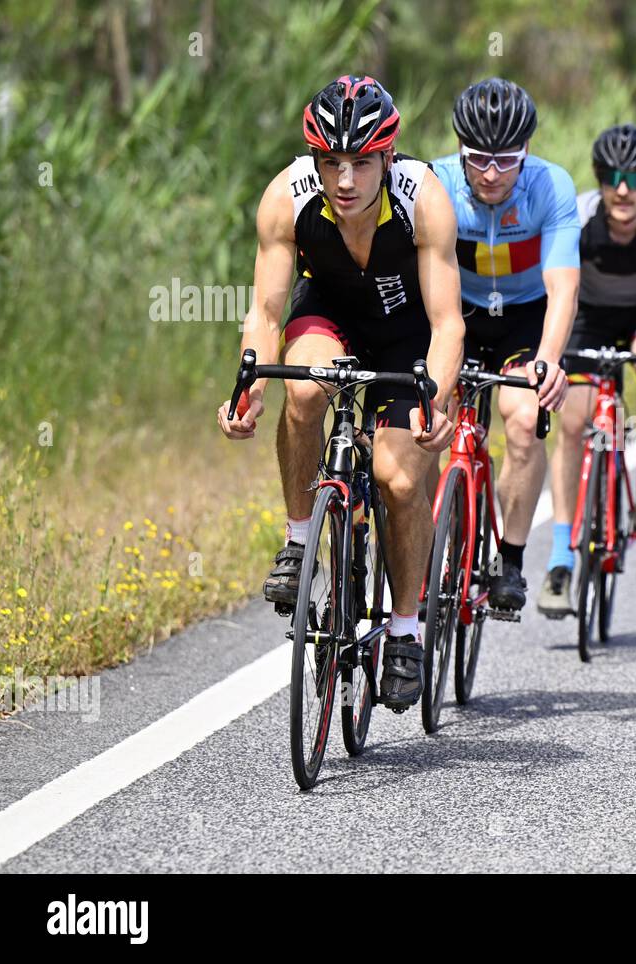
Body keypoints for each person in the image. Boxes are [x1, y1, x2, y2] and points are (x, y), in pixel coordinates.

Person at [218, 75, 463, 711]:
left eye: (360, 162)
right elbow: (266, 316)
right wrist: (248, 387)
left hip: (406, 333)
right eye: (331, 163)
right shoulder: (286, 198)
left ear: (387, 156)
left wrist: (435, 401)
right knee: (302, 392)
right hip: (328, 315)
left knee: (401, 481)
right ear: (315, 160)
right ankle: (301, 542)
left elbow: (448, 323)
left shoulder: (425, 201)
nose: (345, 179)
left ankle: (406, 631)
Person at [538, 124, 636, 616]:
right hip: (587, 318)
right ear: (599, 179)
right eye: (612, 177)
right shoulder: (579, 217)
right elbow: (558, 289)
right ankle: (562, 559)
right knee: (572, 422)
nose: (624, 189)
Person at [430, 77, 577, 611]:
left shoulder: (550, 186)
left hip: (523, 320)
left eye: (507, 160)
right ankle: (422, 550)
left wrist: (549, 362)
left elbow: (564, 286)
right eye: (478, 159)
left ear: (527, 151)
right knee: (425, 418)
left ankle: (510, 561)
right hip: (456, 316)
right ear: (459, 150)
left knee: (521, 418)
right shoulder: (436, 182)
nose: (491, 174)